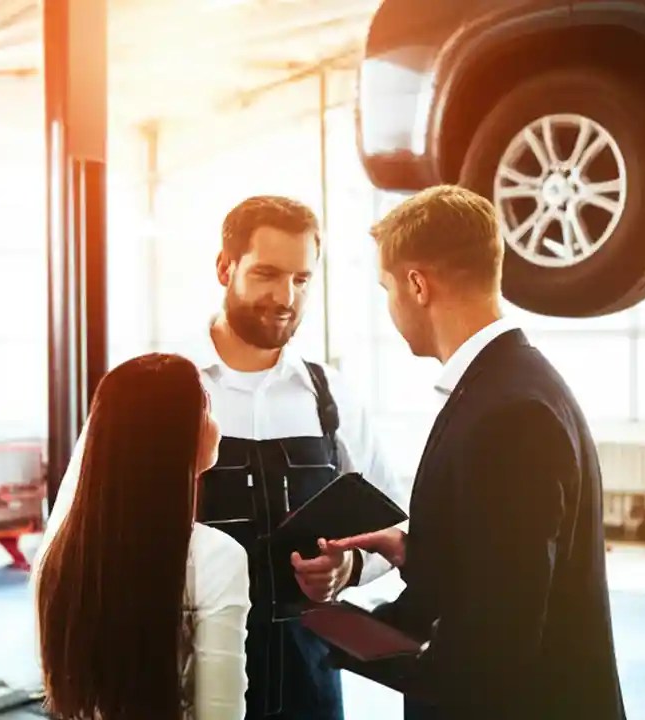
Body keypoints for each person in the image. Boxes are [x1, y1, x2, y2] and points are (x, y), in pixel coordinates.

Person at [39, 195, 406, 720]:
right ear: (223, 268)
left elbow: (390, 516)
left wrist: (347, 568)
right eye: (266, 274)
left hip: (311, 688)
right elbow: (71, 540)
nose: (285, 297)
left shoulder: (334, 398)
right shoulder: (155, 389)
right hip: (170, 690)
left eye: (302, 279)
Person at [326, 185, 626, 719]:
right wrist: (417, 551)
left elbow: (500, 640)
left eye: (387, 288)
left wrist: (358, 648)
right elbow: (509, 564)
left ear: (417, 284)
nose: (390, 307)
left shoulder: (509, 413)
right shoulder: (508, 385)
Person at [34, 353, 251, 720]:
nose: (216, 424)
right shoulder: (216, 557)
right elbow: (220, 712)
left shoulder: (60, 554)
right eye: (206, 408)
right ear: (178, 435)